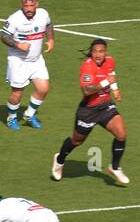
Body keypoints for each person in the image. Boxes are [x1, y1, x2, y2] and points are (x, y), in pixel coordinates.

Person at [51, 37, 128, 185]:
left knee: (121, 134)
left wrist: (115, 90)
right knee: (77, 141)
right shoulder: (87, 67)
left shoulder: (110, 61)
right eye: (95, 52)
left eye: (101, 51)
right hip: (88, 111)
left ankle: (115, 167)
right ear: (91, 53)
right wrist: (106, 82)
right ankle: (59, 159)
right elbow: (87, 90)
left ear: (106, 53)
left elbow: (111, 76)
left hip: (105, 106)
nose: (98, 55)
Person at [1, 0, 53, 131]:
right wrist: (18, 45)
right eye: (26, 5)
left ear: (37, 4)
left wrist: (51, 39)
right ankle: (11, 117)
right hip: (18, 61)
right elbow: (4, 36)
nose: (29, 9)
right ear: (22, 5)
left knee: (43, 89)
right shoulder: (14, 19)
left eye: (31, 5)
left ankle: (28, 115)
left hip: (36, 60)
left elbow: (48, 25)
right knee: (17, 93)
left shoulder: (43, 14)